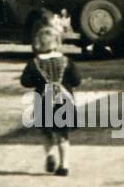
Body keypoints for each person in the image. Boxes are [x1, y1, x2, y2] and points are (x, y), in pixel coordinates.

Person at [20, 24, 80, 177]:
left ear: (38, 43)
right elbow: (76, 80)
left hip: (44, 101)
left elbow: (25, 81)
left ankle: (49, 155)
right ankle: (64, 165)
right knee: (63, 135)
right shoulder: (67, 61)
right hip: (64, 101)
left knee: (46, 133)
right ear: (57, 42)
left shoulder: (34, 63)